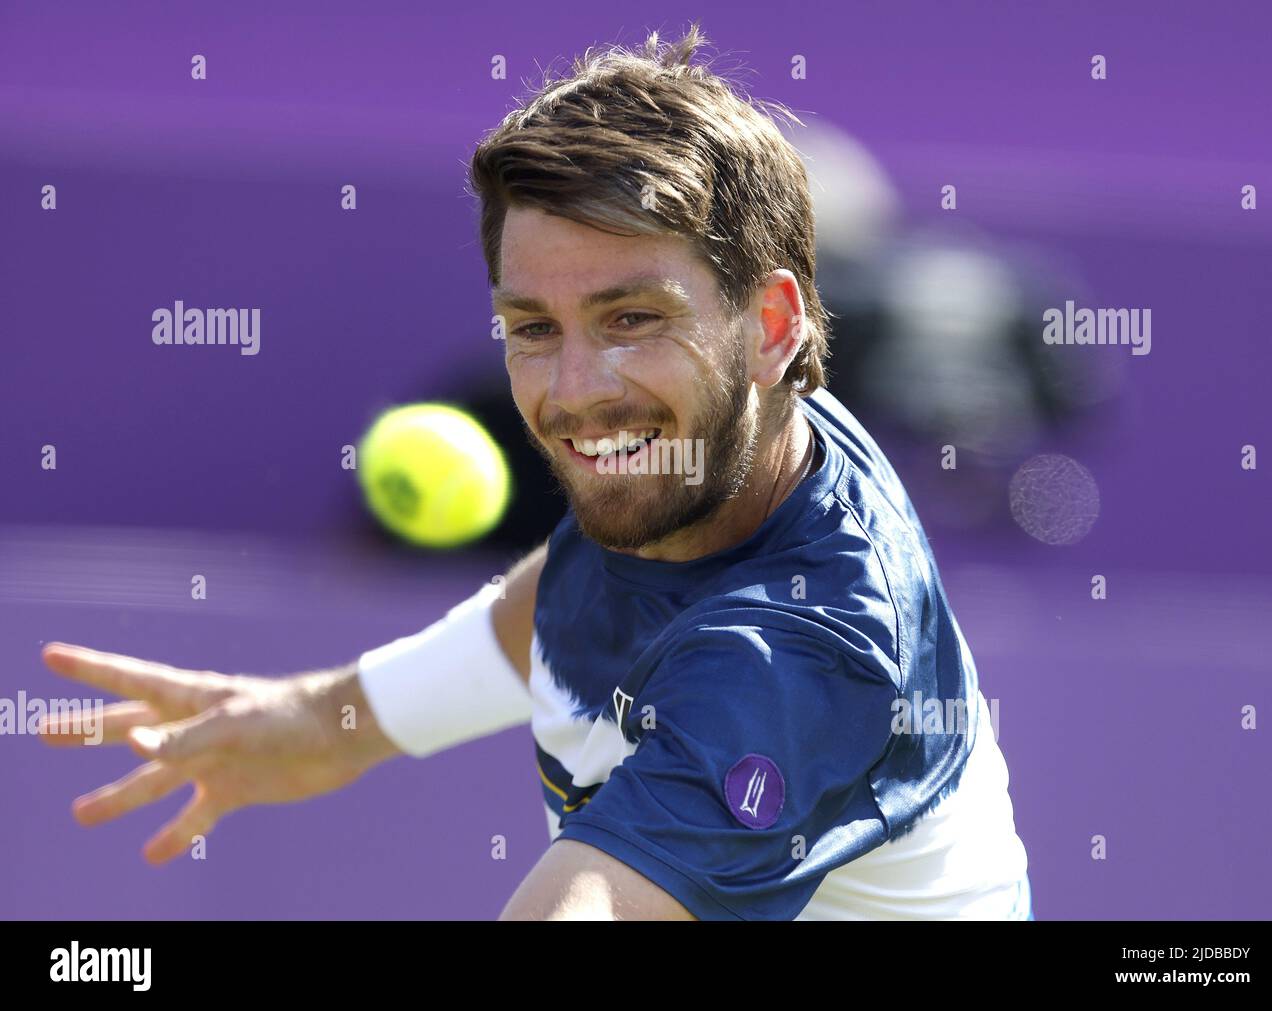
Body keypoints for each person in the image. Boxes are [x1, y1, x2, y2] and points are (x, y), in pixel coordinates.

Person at [38, 25, 1030, 921]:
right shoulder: (744, 442)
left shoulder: (794, 657)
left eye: (632, 319)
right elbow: (572, 593)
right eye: (531, 329)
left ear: (768, 327)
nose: (574, 391)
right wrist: (337, 717)